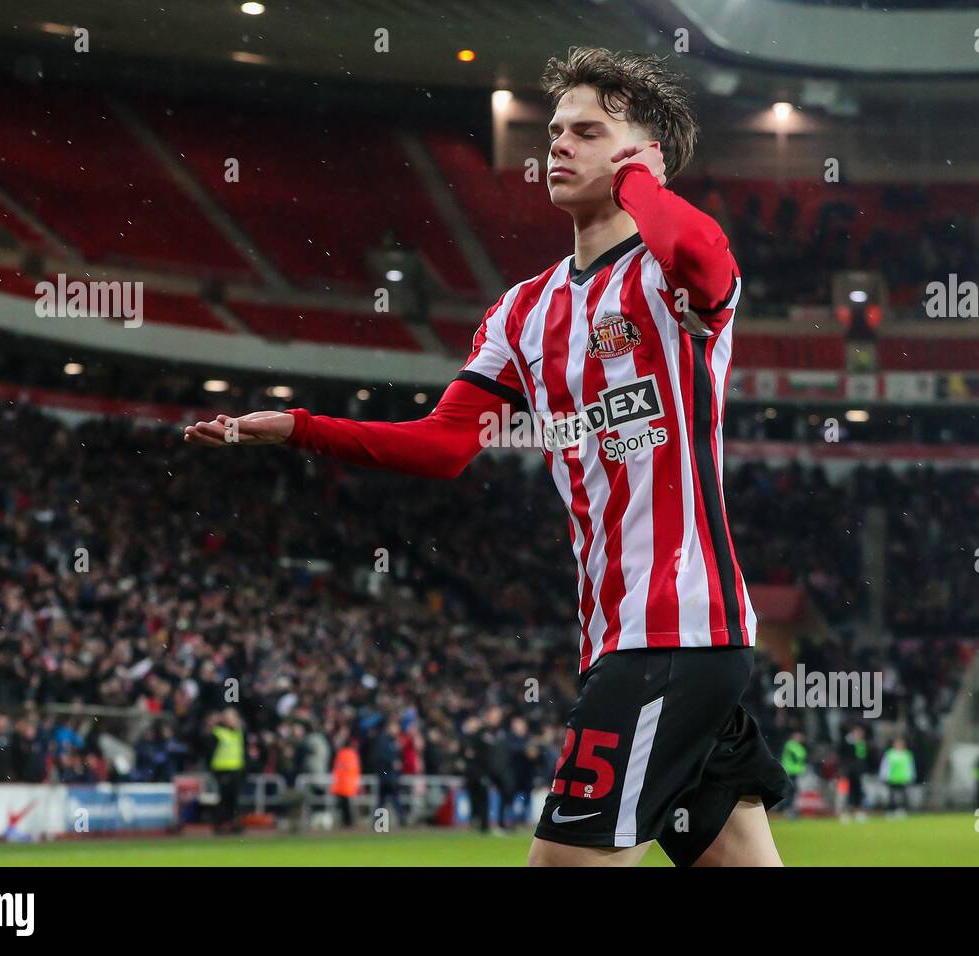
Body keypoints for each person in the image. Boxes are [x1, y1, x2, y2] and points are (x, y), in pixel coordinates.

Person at [185, 46, 789, 868]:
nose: (559, 146)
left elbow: (707, 253)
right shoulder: (523, 311)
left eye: (587, 131)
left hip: (677, 629)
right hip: (622, 638)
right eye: (555, 131)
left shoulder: (665, 272)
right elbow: (441, 448)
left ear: (640, 157)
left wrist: (642, 181)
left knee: (559, 864)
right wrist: (297, 427)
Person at [206, 708, 246, 834]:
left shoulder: (238, 732)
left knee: (234, 798)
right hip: (222, 770)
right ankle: (220, 823)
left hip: (236, 769)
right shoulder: (218, 732)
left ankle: (233, 822)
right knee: (224, 798)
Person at [331, 734, 362, 828]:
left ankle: (348, 823)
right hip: (349, 784)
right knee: (347, 805)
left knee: (345, 805)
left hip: (342, 784)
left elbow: (338, 769)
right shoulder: (352, 754)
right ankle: (349, 822)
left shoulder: (342, 754)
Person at [880, 737, 916, 818]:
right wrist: (884, 776)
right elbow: (885, 766)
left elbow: (910, 766)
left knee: (903, 796)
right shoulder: (890, 754)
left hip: (903, 778)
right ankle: (890, 811)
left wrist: (911, 776)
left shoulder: (907, 754)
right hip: (892, 778)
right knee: (891, 796)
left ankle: (901, 810)